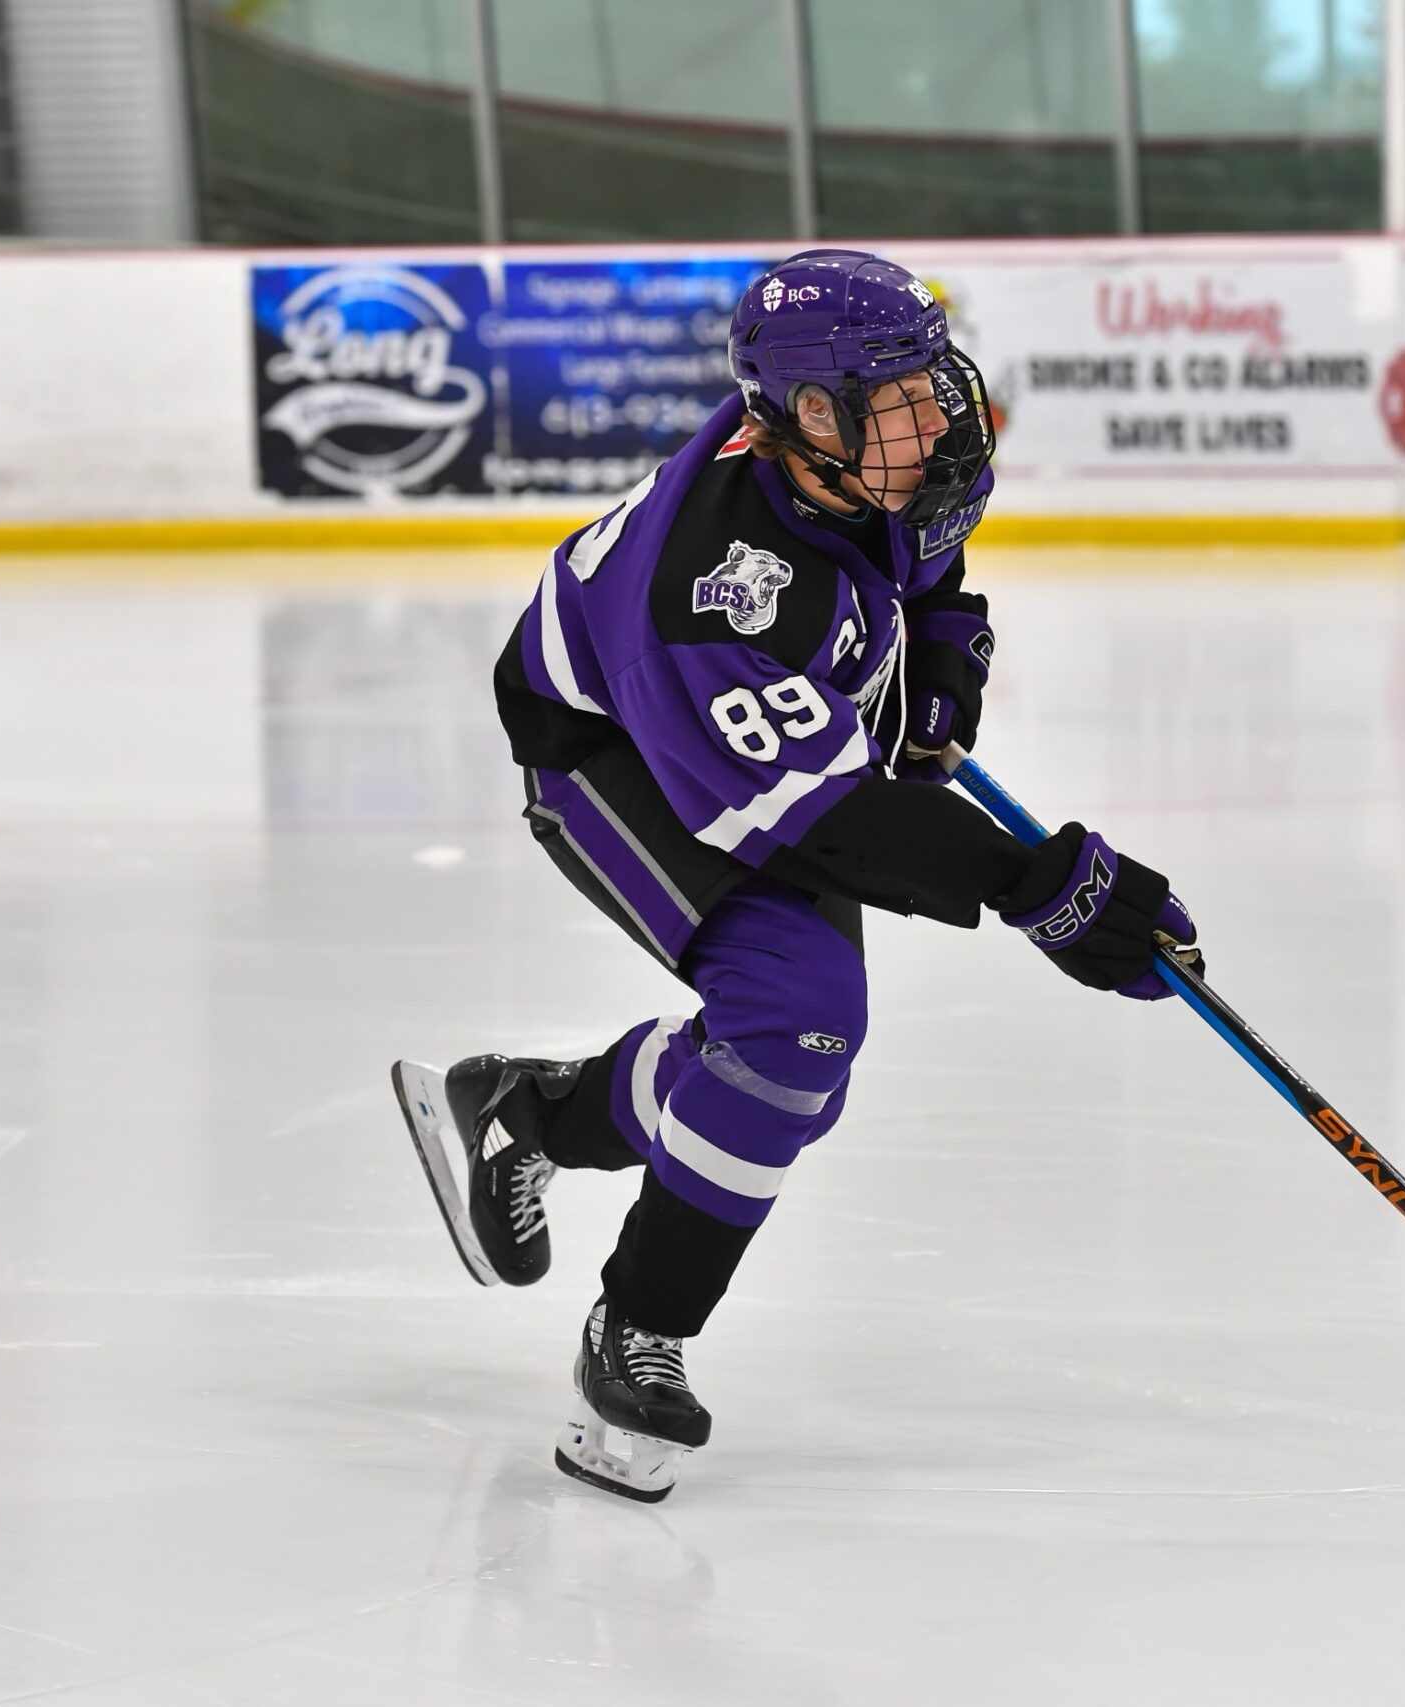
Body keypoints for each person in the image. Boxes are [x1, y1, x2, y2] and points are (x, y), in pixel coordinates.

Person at [394, 249, 1198, 1502]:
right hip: (615, 747)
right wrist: (1050, 885)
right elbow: (823, 814)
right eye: (904, 391)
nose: (940, 412)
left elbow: (923, 571)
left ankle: (529, 1114)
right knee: (796, 1028)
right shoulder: (709, 596)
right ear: (810, 416)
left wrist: (943, 656)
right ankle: (634, 1333)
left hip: (754, 730)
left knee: (784, 1065)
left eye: (937, 377)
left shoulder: (872, 453)